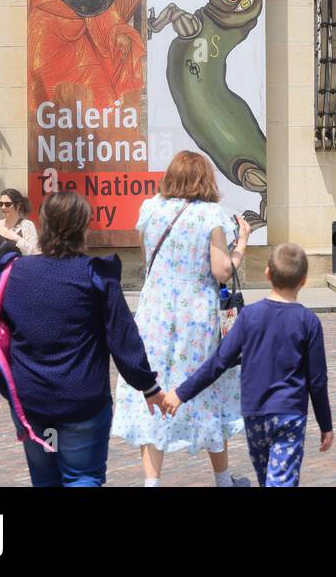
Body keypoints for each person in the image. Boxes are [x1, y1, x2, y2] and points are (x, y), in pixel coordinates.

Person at [0, 191, 165, 486]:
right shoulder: (95, 274)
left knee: (46, 479)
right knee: (82, 477)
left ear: (45, 225)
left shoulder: (13, 270)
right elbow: (123, 337)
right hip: (82, 402)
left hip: (33, 403)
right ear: (84, 227)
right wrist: (148, 386)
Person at [111, 150, 253, 487]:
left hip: (155, 309)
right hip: (195, 313)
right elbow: (221, 271)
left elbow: (149, 261)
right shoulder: (209, 214)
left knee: (153, 388)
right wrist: (242, 243)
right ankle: (222, 479)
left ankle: (152, 482)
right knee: (205, 386)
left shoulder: (151, 208)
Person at [163, 243, 334, 487]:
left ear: (267, 273)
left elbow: (219, 361)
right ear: (304, 281)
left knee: (269, 480)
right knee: (280, 481)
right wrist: (325, 423)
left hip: (255, 414)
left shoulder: (249, 316)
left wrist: (181, 392)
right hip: (289, 413)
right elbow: (317, 380)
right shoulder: (308, 321)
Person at [0, 189, 40, 294]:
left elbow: (34, 253)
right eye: (0, 204)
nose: (3, 207)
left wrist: (16, 238)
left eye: (7, 204)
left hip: (16, 282)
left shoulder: (27, 225)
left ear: (18, 205)